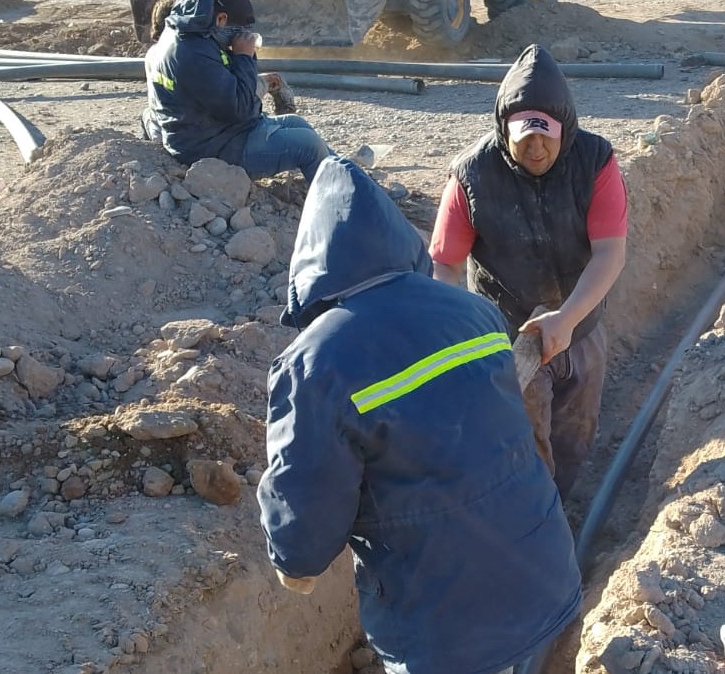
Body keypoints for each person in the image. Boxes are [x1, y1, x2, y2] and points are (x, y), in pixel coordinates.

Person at [256, 156, 581, 674]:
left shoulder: (316, 363)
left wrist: (294, 563)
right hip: (551, 580)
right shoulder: (473, 311)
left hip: (447, 630)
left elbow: (306, 514)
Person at [429, 44, 628, 499]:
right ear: (506, 131)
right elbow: (445, 265)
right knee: (524, 442)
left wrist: (567, 318)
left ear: (565, 131)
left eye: (546, 138)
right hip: (509, 335)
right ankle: (534, 524)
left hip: (580, 323)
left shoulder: (595, 162)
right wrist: (460, 335)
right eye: (524, 139)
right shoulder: (471, 175)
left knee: (575, 435)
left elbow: (609, 255)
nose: (536, 150)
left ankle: (562, 512)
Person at [143, 0, 329, 183]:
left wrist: (242, 57)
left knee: (295, 123)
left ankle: (349, 177)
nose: (242, 37)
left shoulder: (192, 36)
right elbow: (240, 108)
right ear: (221, 19)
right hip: (209, 147)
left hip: (214, 132)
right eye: (240, 31)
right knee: (308, 145)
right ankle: (340, 202)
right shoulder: (194, 53)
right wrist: (244, 56)